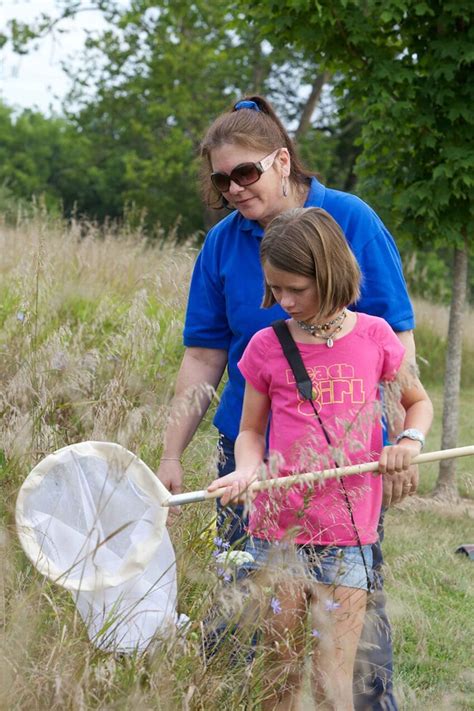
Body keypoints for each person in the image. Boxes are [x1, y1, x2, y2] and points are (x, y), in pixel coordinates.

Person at [157, 95, 417, 709]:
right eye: (221, 180)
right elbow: (202, 355)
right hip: (253, 460)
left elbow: (394, 342)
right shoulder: (223, 244)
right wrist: (171, 454)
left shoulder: (348, 219)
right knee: (250, 608)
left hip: (344, 462)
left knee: (349, 625)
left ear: (281, 160)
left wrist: (401, 437)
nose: (233, 189)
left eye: (244, 172)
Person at [207, 207, 433, 710]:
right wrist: (247, 469)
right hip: (276, 533)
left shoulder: (374, 337)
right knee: (279, 674)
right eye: (275, 289)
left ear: (330, 273)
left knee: (333, 681)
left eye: (296, 289)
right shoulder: (269, 346)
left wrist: (408, 443)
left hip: (348, 535)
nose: (284, 302)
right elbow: (249, 430)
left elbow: (417, 401)